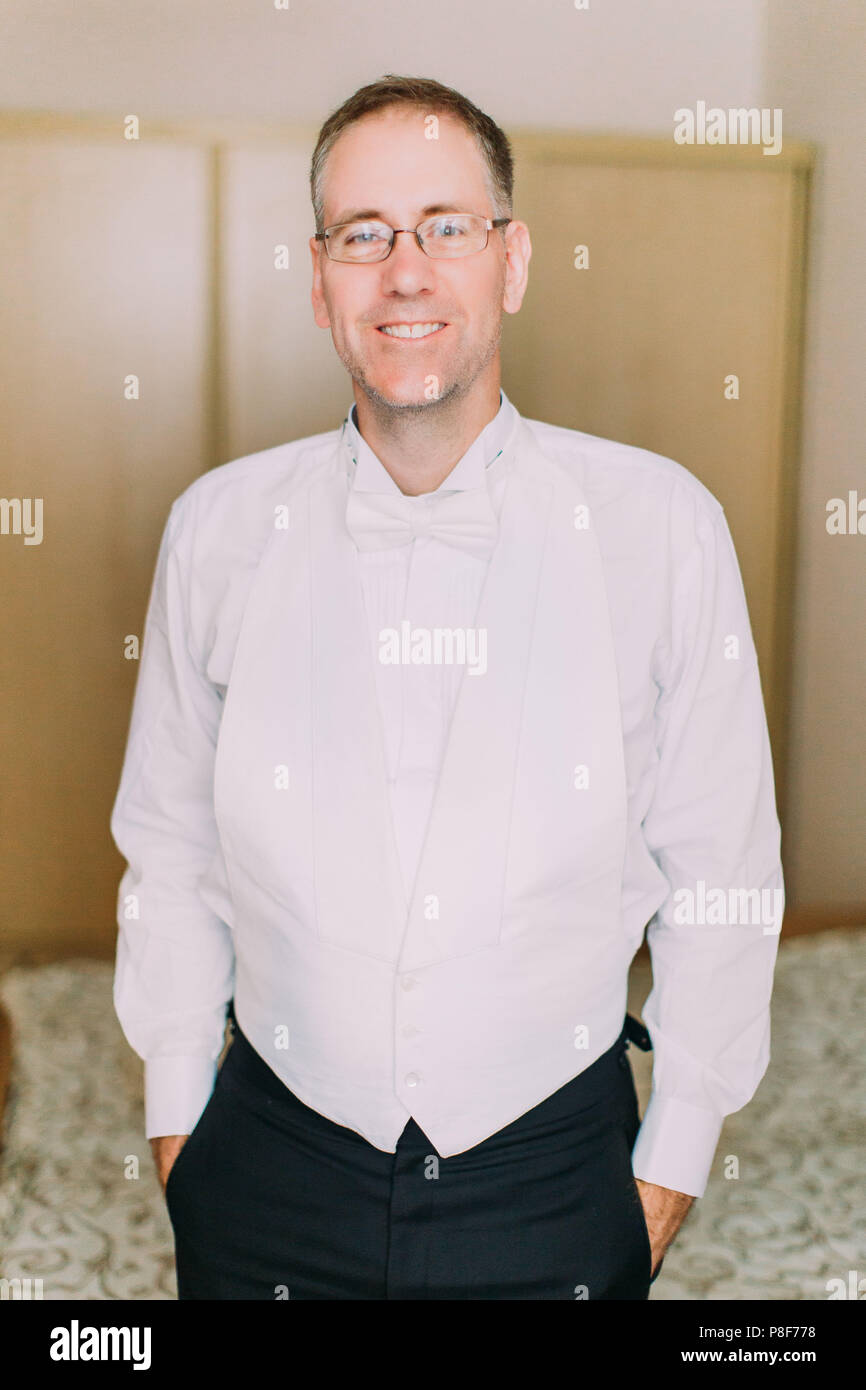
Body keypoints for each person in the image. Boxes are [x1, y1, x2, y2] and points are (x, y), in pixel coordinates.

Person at [110, 75, 784, 1301]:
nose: (404, 272)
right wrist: (176, 1131)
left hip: (555, 1176)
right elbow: (168, 845)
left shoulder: (663, 527)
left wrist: (666, 1166)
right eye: (363, 236)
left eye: (445, 227)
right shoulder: (214, 530)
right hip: (263, 1161)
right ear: (319, 282)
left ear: (510, 262)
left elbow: (722, 872)